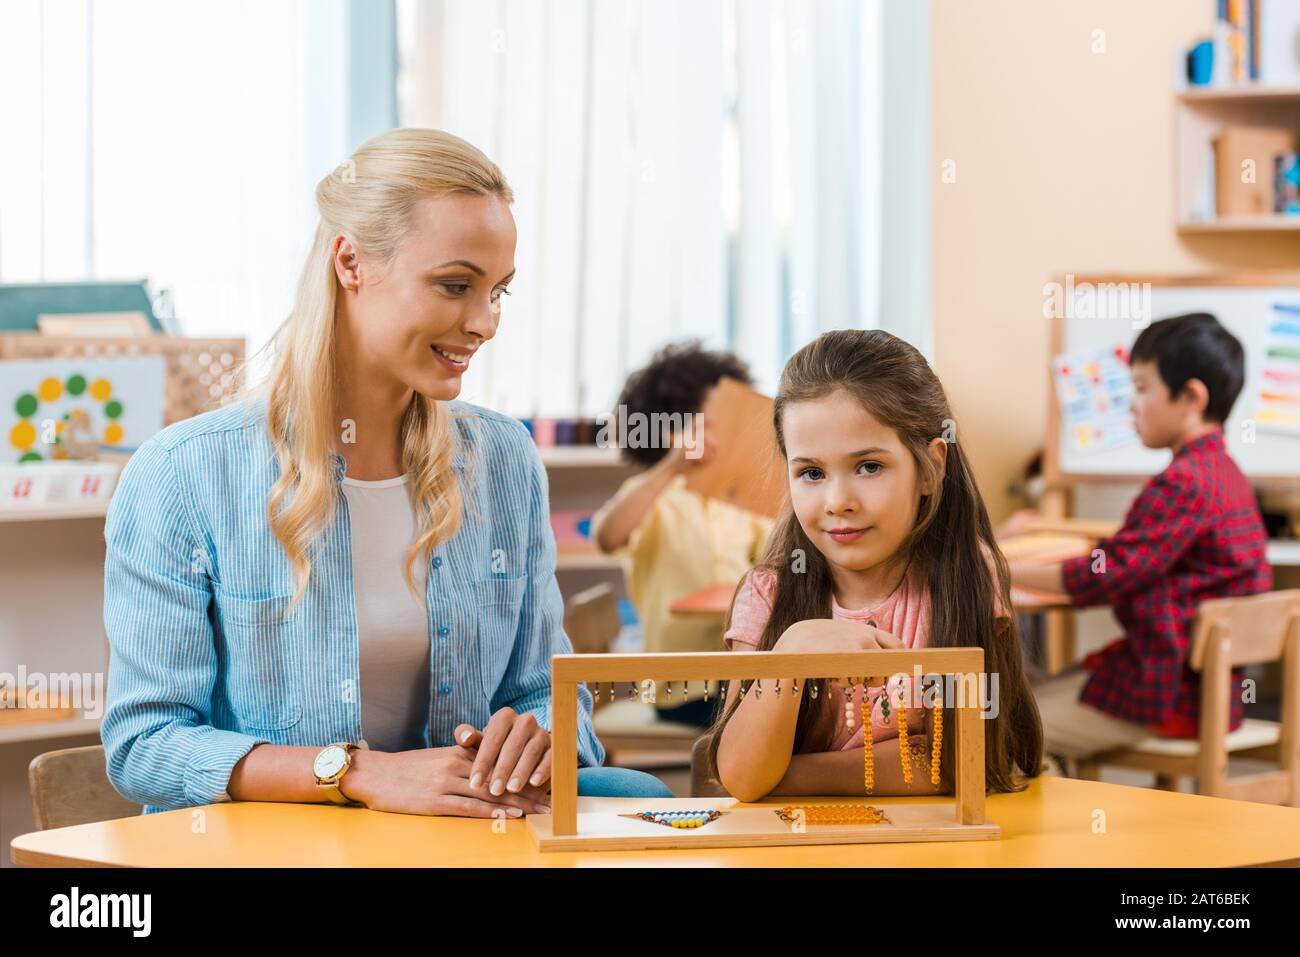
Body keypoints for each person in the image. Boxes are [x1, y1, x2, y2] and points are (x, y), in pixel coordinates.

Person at [101, 128, 671, 818]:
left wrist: (538, 737)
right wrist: (358, 773)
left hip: (451, 838)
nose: (485, 321)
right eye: (456, 285)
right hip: (273, 844)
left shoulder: (503, 461)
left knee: (643, 799)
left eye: (499, 293)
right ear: (351, 262)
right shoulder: (184, 473)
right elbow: (146, 743)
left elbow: (543, 691)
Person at [708, 329, 1043, 802]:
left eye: (868, 466)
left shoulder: (967, 576)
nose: (838, 501)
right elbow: (743, 776)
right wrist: (794, 649)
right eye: (811, 473)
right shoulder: (768, 596)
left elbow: (962, 761)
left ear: (930, 468)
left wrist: (788, 777)